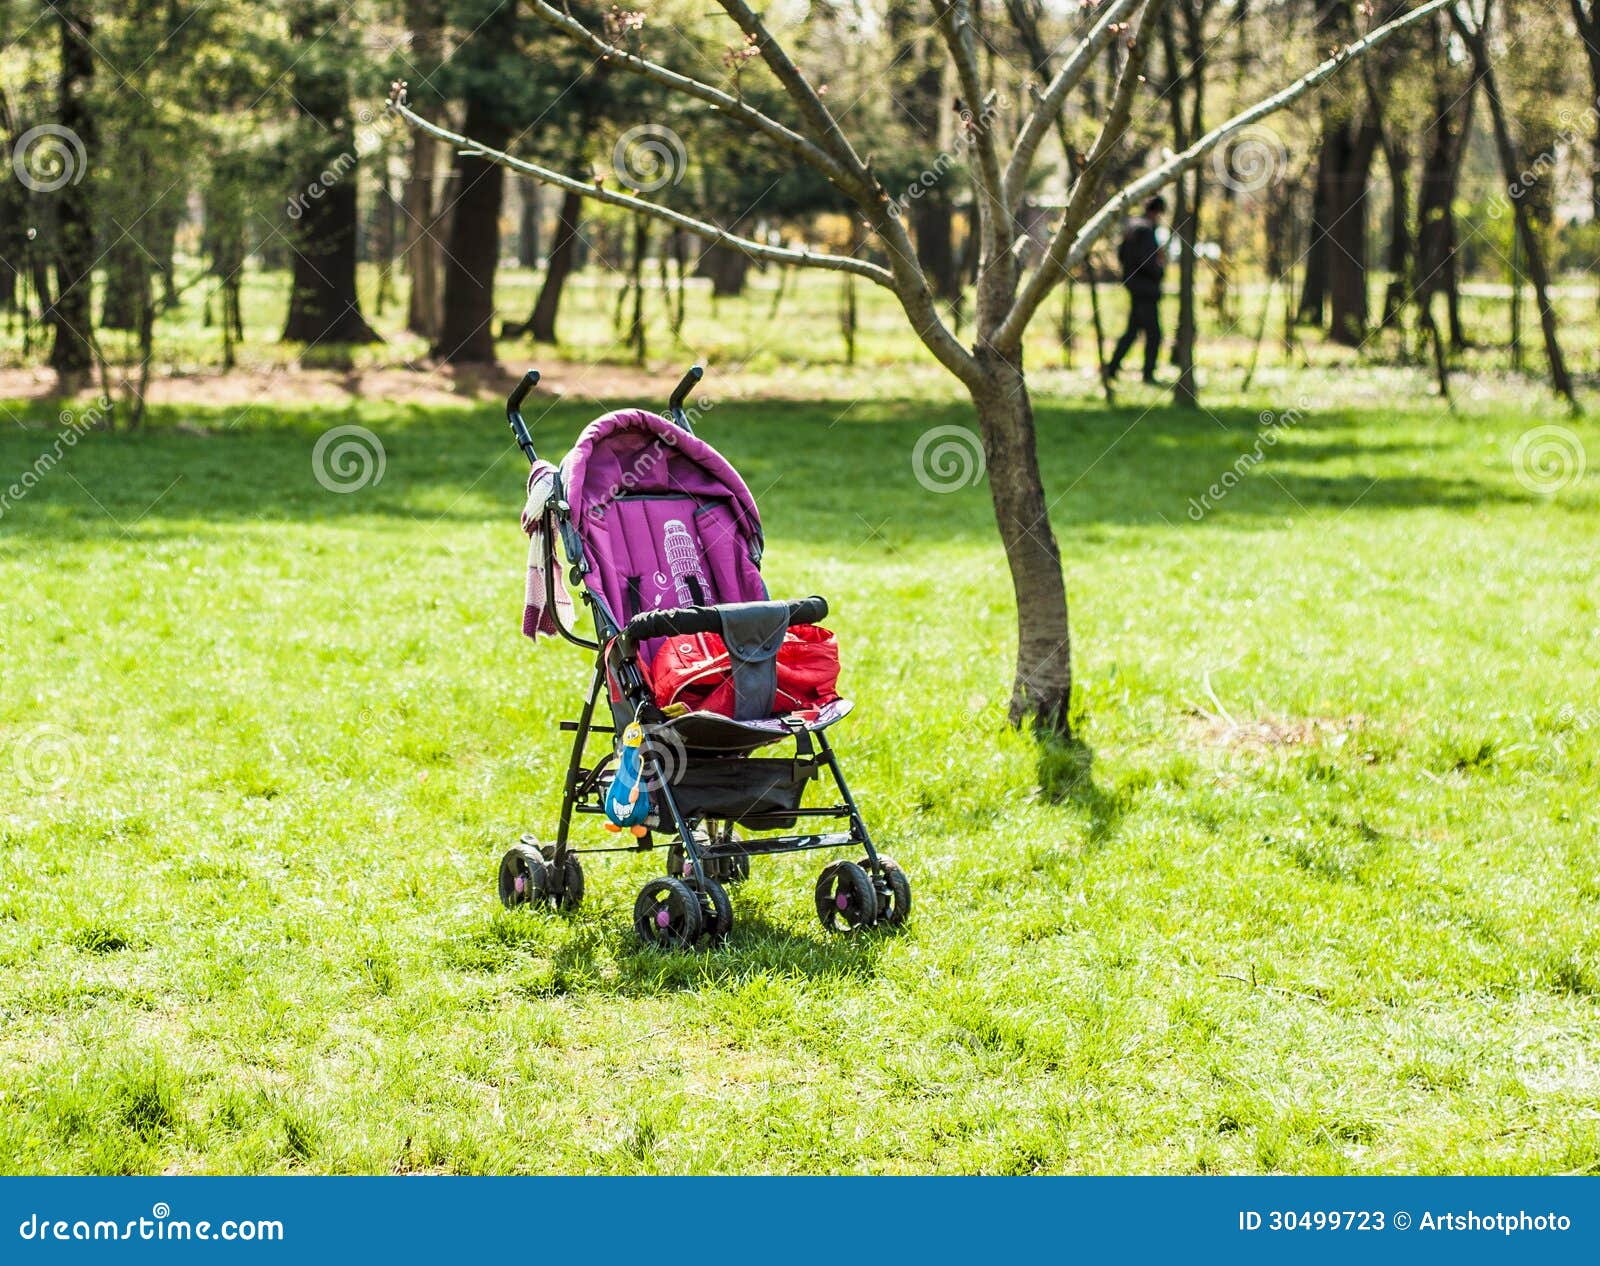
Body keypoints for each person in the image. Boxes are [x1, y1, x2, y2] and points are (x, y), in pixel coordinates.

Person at [1105, 195, 1167, 386]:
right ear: (1157, 212)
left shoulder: (1131, 227)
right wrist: (1159, 271)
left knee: (1132, 331)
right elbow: (1147, 261)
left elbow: (1121, 254)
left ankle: (1112, 368)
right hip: (1146, 289)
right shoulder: (1146, 230)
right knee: (1154, 334)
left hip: (1133, 286)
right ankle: (1148, 374)